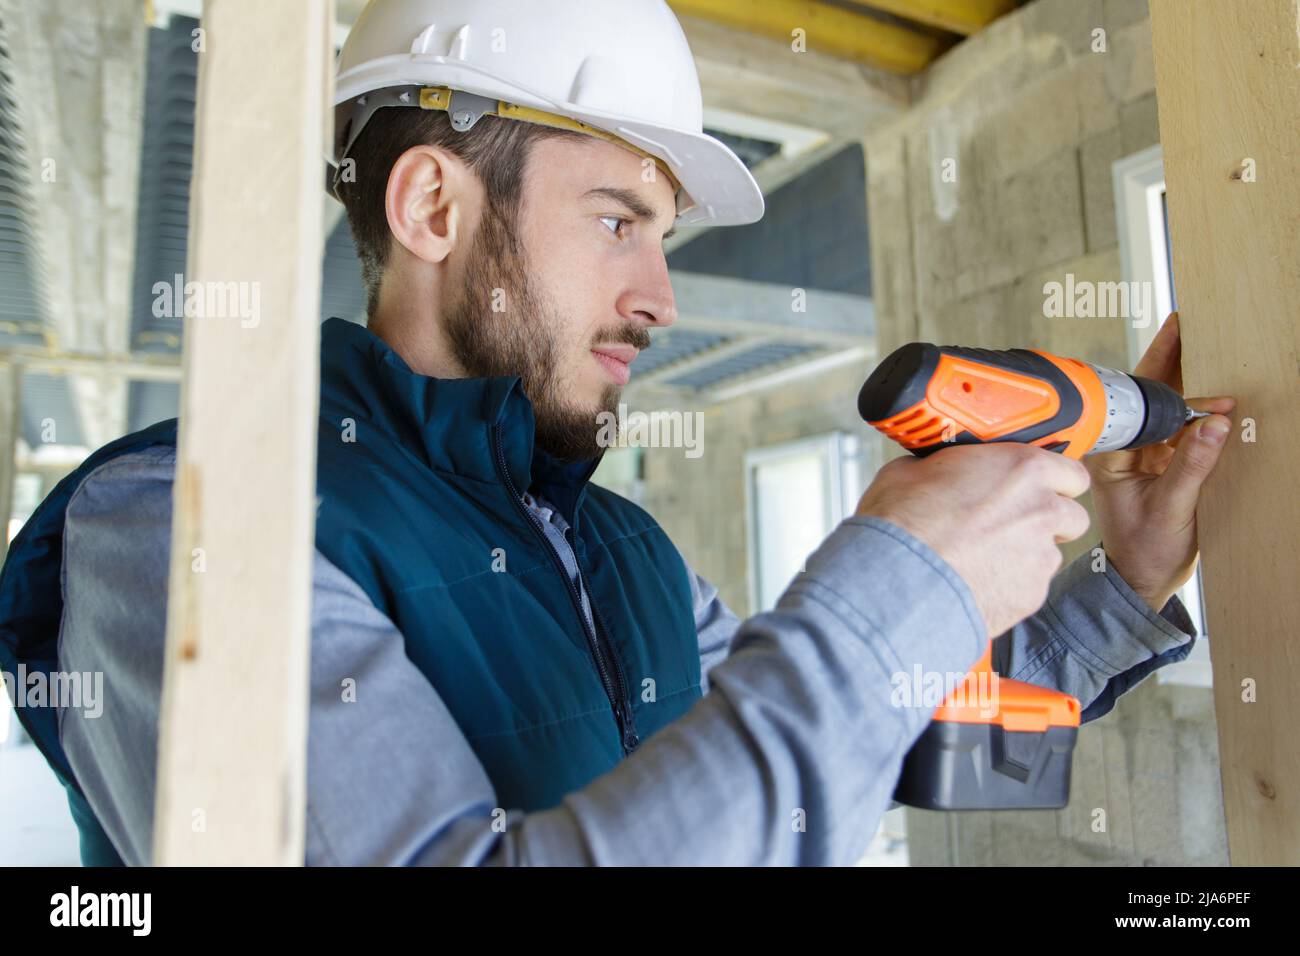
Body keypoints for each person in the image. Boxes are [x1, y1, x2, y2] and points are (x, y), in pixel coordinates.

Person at [0, 0, 1234, 866]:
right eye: (614, 220)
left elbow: (865, 731)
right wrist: (888, 584)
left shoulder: (624, 550)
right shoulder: (180, 525)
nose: (661, 295)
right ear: (432, 202)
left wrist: (1118, 577)